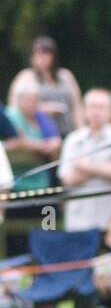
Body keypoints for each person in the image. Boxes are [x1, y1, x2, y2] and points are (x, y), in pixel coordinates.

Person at [57, 88, 111, 236]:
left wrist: (86, 166)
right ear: (84, 110)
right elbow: (67, 178)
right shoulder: (73, 140)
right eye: (92, 106)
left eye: (101, 107)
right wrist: (107, 166)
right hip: (81, 219)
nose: (96, 112)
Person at [2, 81, 62, 257]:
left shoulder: (43, 119)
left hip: (43, 186)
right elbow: (10, 145)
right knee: (16, 236)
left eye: (37, 99)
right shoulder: (10, 117)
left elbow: (55, 147)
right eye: (30, 99)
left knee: (47, 227)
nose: (34, 103)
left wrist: (40, 146)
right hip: (18, 187)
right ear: (19, 100)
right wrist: (37, 147)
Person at [6, 36, 82, 136]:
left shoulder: (65, 76)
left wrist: (81, 131)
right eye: (36, 54)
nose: (40, 58)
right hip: (41, 134)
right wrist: (42, 108)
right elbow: (14, 108)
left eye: (44, 54)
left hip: (67, 129)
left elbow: (77, 106)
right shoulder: (26, 77)